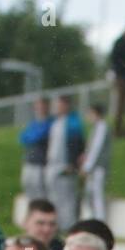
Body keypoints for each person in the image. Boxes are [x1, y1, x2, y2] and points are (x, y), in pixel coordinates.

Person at [45, 95, 84, 230]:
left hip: (65, 164)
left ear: (66, 106)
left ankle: (69, 226)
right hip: (52, 165)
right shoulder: (55, 122)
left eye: (60, 105)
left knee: (67, 198)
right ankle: (55, 225)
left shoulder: (73, 123)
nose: (57, 108)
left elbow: (77, 144)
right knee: (54, 197)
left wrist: (72, 164)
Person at [81, 103, 112, 223]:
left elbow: (96, 149)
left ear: (95, 113)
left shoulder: (102, 127)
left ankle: (100, 222)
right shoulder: (96, 128)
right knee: (90, 195)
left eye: (90, 113)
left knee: (97, 196)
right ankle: (94, 220)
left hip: (98, 168)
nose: (88, 116)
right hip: (93, 167)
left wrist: (87, 167)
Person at [18, 98, 51, 202]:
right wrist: (31, 136)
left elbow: (37, 136)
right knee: (28, 191)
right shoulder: (33, 123)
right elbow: (22, 138)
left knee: (41, 193)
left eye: (42, 106)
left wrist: (31, 136)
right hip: (28, 162)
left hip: (41, 164)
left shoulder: (50, 122)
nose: (39, 108)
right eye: (37, 106)